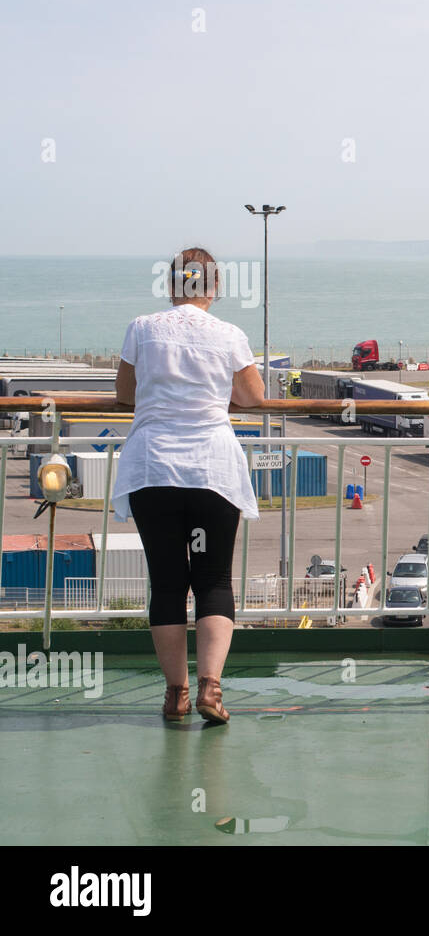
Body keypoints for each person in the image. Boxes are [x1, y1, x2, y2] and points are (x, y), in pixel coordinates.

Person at [112, 248, 265, 725]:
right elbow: (253, 397)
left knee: (168, 581)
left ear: (173, 285)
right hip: (211, 470)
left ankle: (175, 694)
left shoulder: (142, 328)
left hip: (153, 468)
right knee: (213, 579)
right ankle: (211, 690)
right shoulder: (229, 335)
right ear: (214, 289)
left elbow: (124, 394)